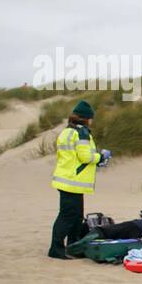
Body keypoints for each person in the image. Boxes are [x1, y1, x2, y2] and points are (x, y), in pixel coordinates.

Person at [47, 99, 109, 259]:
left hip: (66, 179)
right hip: (72, 181)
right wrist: (100, 157)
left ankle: (73, 245)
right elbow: (84, 156)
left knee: (76, 216)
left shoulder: (67, 131)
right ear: (86, 118)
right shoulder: (81, 133)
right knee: (68, 216)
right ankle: (56, 248)